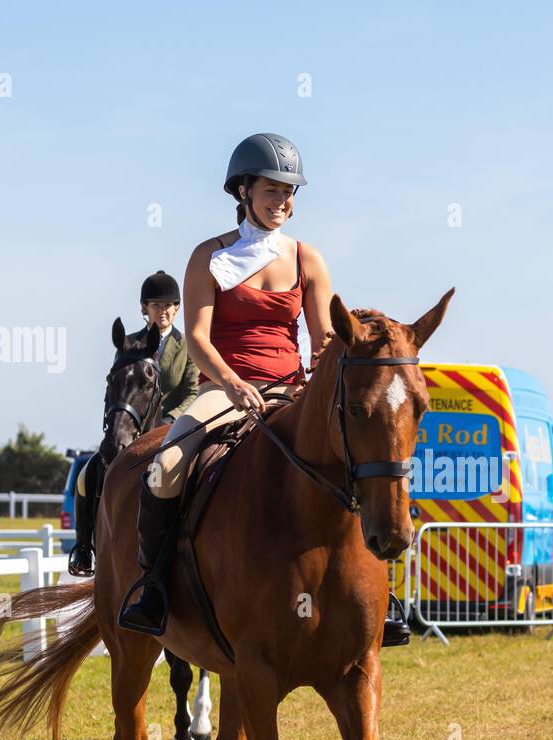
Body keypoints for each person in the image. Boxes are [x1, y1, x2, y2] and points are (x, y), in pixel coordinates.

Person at [117, 133, 411, 645]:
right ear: (243, 191)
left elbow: (322, 339)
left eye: (289, 192)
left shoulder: (307, 259)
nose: (283, 201)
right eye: (272, 190)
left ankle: (379, 597)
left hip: (292, 389)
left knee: (356, 461)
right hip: (223, 389)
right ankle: (153, 589)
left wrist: (325, 368)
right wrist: (231, 384)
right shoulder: (209, 257)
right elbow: (199, 340)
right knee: (164, 470)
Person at [68, 271, 199, 576]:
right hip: (129, 429)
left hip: (173, 428)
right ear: (144, 308)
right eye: (155, 305)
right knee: (85, 476)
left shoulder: (189, 345)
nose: (162, 311)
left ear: (177, 308)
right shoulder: (129, 344)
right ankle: (84, 549)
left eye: (168, 305)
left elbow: (192, 390)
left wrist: (169, 420)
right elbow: (119, 388)